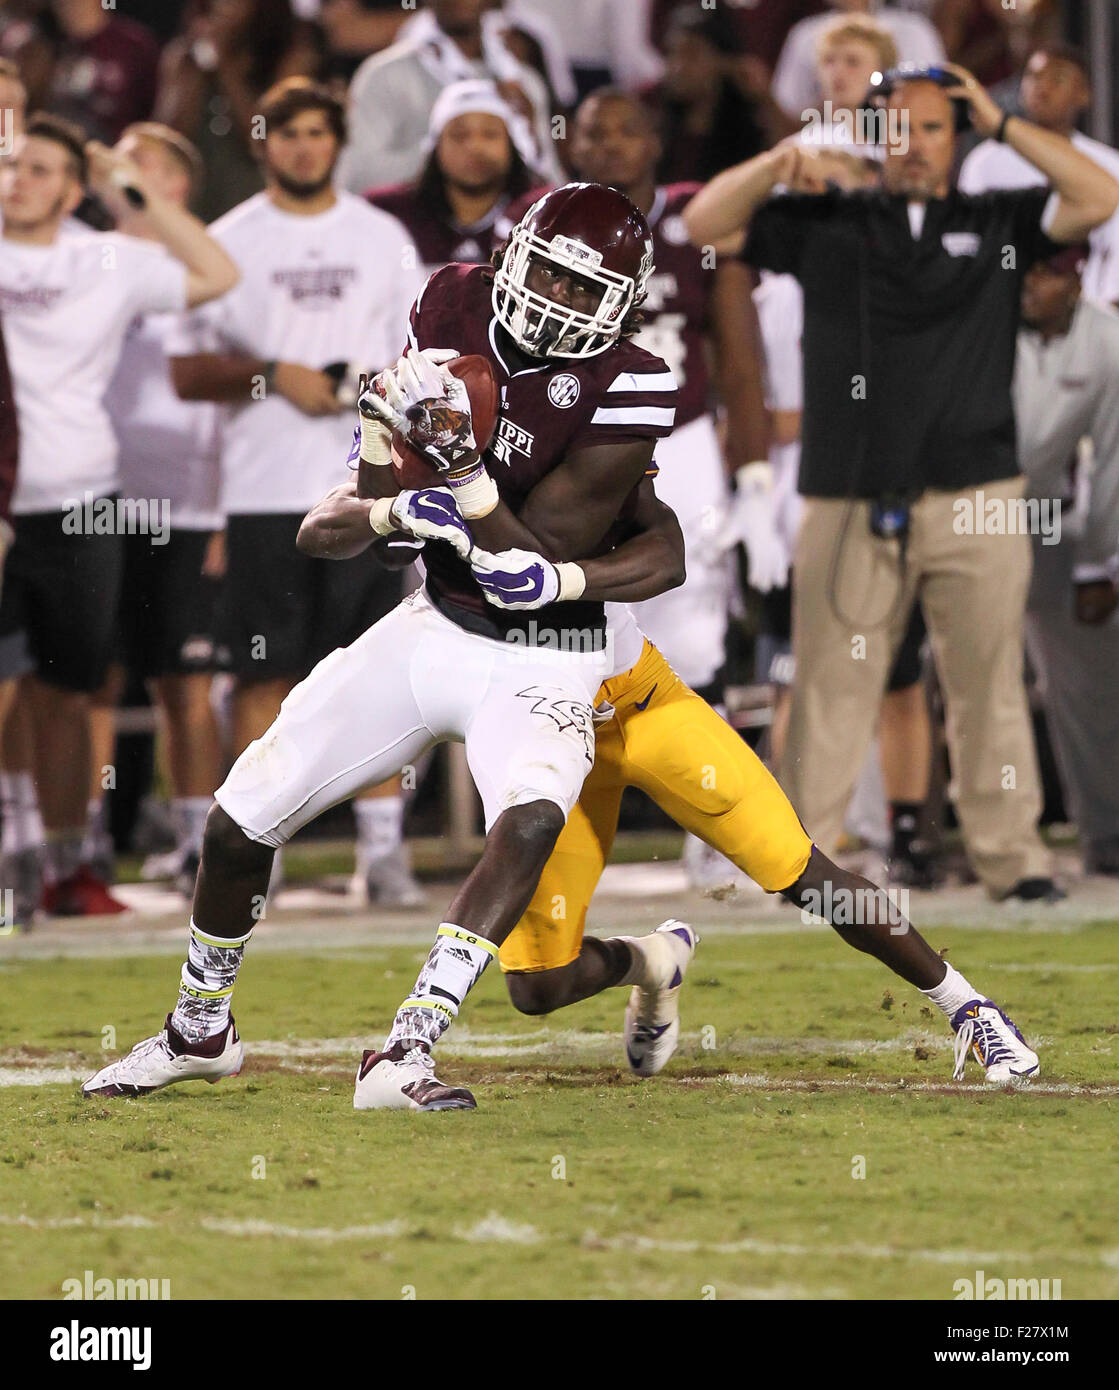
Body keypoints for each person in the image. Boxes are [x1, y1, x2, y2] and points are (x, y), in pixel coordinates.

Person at [81, 181, 688, 1112]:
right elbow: (339, 521)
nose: (558, 304)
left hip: (549, 644)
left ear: (619, 302)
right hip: (435, 624)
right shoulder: (451, 301)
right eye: (550, 278)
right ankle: (199, 1030)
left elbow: (539, 557)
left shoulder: (633, 376)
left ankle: (407, 1048)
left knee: (529, 816)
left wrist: (462, 475)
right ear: (512, 257)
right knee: (240, 815)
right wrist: (391, 499)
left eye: (583, 290)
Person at [684, 64, 1119, 902]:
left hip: (977, 490)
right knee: (827, 685)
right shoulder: (824, 219)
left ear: (955, 138)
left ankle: (1012, 858)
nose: (915, 146)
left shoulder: (997, 217)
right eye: (898, 128)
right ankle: (795, 861)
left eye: (932, 128)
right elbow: (707, 220)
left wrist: (999, 122)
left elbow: (1097, 195)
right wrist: (784, 158)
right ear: (870, 136)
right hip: (847, 492)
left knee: (986, 682)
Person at [166, 78, 427, 908]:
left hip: (367, 487)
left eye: (318, 132)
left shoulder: (381, 235)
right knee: (261, 676)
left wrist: (367, 385)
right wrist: (270, 375)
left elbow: (428, 355)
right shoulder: (228, 239)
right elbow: (186, 370)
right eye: (288, 133)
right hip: (264, 490)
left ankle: (382, 856)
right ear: (261, 142)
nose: (304, 147)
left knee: (381, 677)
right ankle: (254, 857)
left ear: (338, 141)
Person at [0, 114, 238, 917]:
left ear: (73, 189)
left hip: (77, 501)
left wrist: (125, 185)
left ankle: (69, 864)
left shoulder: (102, 259)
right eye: (13, 165)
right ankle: (15, 849)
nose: (22, 180)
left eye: (42, 169)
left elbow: (215, 269)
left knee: (69, 693)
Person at [565, 87, 775, 889]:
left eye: (627, 129)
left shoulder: (695, 227)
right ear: (571, 141)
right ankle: (570, 822)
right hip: (579, 452)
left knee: (695, 646)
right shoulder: (549, 224)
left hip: (680, 446)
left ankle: (710, 828)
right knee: (582, 641)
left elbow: (739, 358)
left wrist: (752, 476)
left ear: (655, 141)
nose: (612, 145)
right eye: (594, 130)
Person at [103, 122, 225, 897]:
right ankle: (72, 848)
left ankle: (197, 842)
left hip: (186, 504)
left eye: (142, 165)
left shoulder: (211, 267)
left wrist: (222, 515)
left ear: (176, 186)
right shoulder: (87, 257)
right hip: (99, 501)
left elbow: (222, 402)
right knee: (93, 679)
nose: (122, 173)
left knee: (185, 686)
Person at [1015, 244, 1119, 877]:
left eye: (1045, 272)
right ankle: (921, 834)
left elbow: (1113, 462)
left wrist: (1097, 562)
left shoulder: (1108, 341)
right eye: (1023, 269)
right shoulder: (989, 326)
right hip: (967, 510)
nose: (1030, 284)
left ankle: (1104, 835)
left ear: (1076, 279)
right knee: (948, 681)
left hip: (1059, 519)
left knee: (1082, 683)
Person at [337, 0, 560, 195]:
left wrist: (529, 137)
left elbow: (552, 181)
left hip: (504, 234)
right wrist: (441, 151)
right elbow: (356, 176)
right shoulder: (385, 74)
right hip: (414, 232)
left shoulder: (524, 83)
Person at [959, 44, 1119, 310]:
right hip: (1002, 307)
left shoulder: (1108, 164)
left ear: (1084, 94)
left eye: (1057, 79)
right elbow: (972, 243)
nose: (1042, 87)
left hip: (1088, 310)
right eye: (1033, 76)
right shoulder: (984, 161)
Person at [155, 0, 323, 222]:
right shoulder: (184, 56)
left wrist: (225, 67)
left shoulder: (290, 51)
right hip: (196, 202)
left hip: (257, 202)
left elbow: (261, 137)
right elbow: (168, 142)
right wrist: (194, 73)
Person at [365, 79, 540, 278]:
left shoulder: (540, 214)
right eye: (459, 135)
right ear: (435, 146)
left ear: (513, 144)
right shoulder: (389, 212)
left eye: (490, 134)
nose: (475, 147)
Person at [772, 0, 944, 121]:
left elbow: (935, 102)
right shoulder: (806, 34)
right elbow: (789, 109)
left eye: (853, 62)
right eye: (829, 61)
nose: (838, 72)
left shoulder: (914, 30)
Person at [43, 0, 161, 143]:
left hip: (115, 148)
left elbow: (154, 111)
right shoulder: (42, 45)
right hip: (57, 145)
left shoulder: (134, 45)